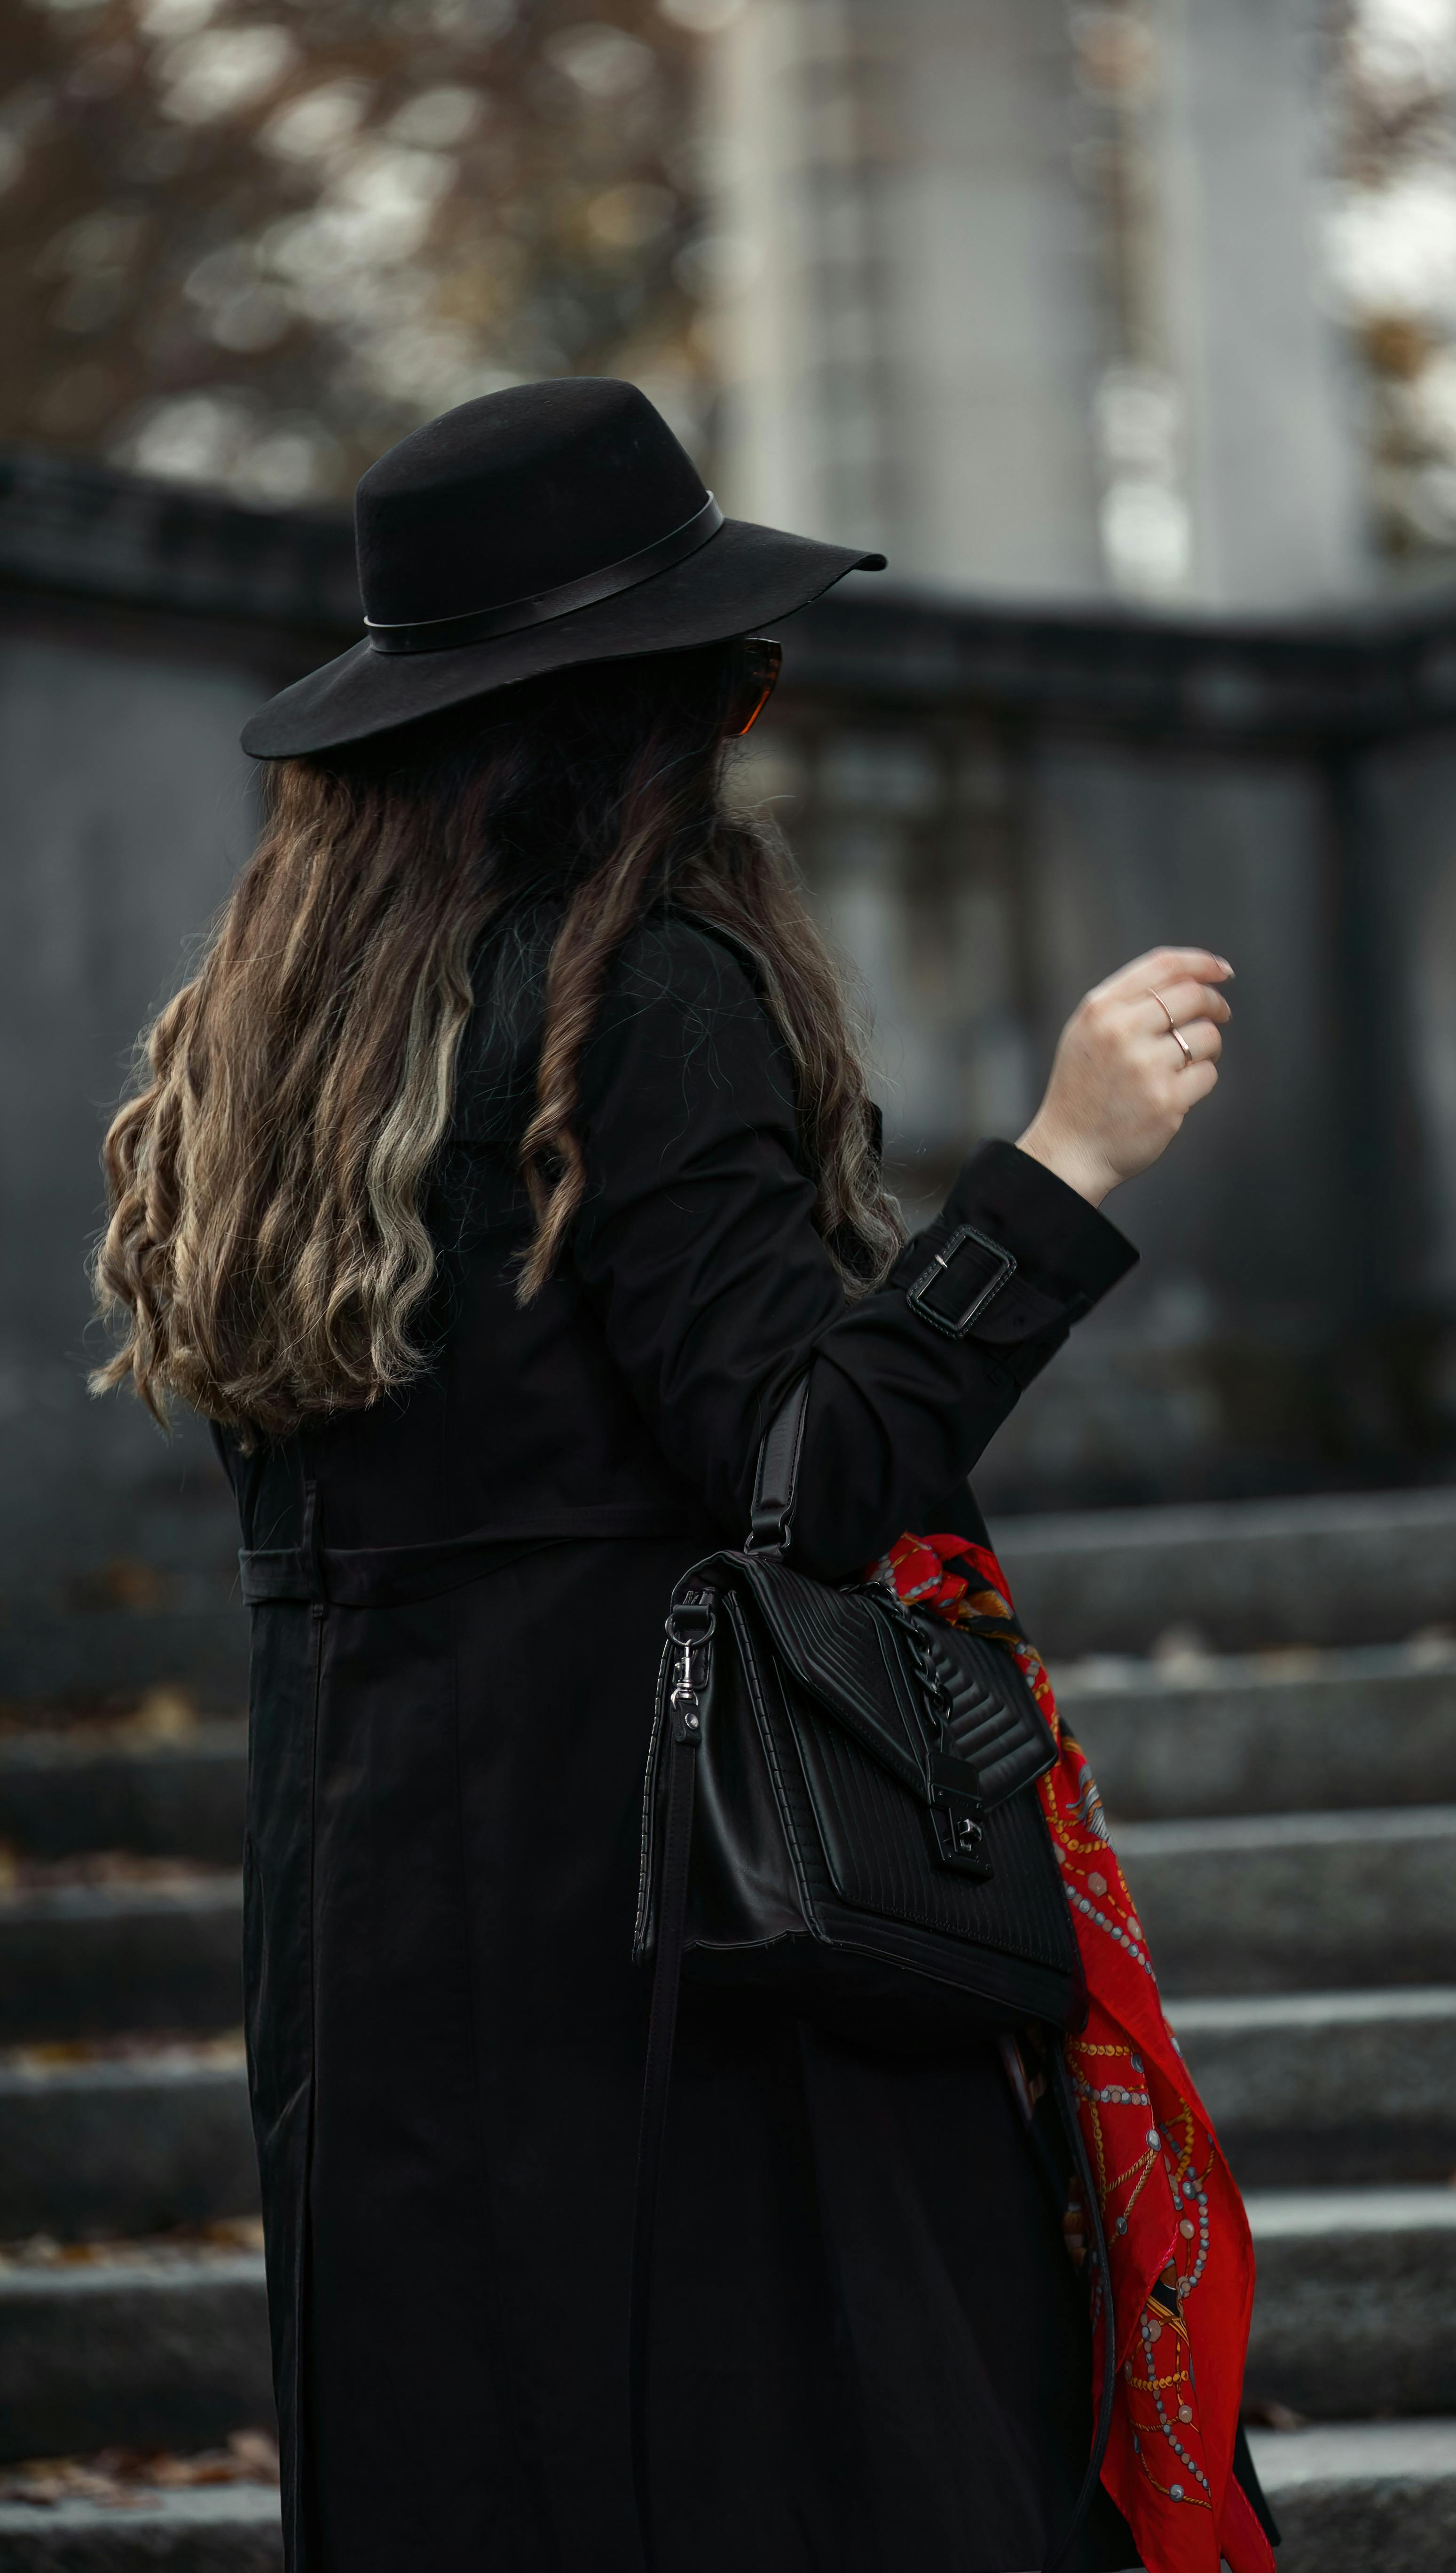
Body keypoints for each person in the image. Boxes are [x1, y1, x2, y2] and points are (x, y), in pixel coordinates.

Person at [93, 380, 1265, 2573]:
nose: (754, 721)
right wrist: (1062, 1169)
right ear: (642, 718)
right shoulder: (641, 994)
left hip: (372, 1924)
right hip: (691, 1920)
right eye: (739, 683)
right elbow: (804, 1469)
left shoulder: (282, 1033)